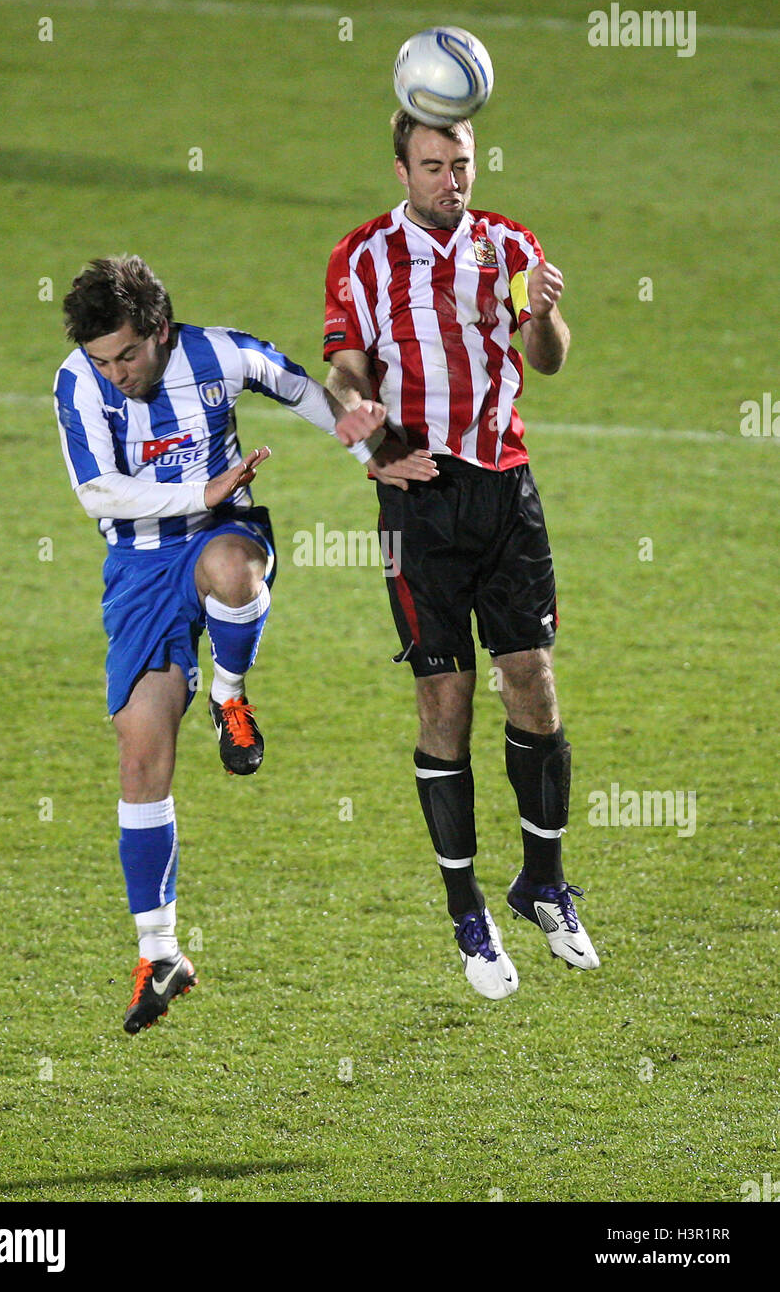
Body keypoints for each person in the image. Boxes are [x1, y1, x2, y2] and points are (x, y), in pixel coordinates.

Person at [54, 255, 399, 1034]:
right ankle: (160, 952)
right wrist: (196, 489)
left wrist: (371, 457)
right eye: (104, 360)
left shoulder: (220, 354)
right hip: (139, 570)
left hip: (223, 532)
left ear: (160, 330)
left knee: (232, 576)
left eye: (128, 356)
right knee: (141, 753)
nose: (117, 374)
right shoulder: (75, 381)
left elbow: (307, 391)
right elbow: (97, 491)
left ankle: (230, 695)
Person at [324, 110, 600, 1001]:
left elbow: (546, 361)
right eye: (434, 165)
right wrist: (363, 420)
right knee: (444, 697)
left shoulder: (510, 246)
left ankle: (543, 883)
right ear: (400, 167)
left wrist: (546, 315)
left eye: (464, 164)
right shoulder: (362, 256)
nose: (453, 180)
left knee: (534, 677)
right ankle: (465, 911)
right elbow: (344, 367)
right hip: (418, 498)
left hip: (506, 490)